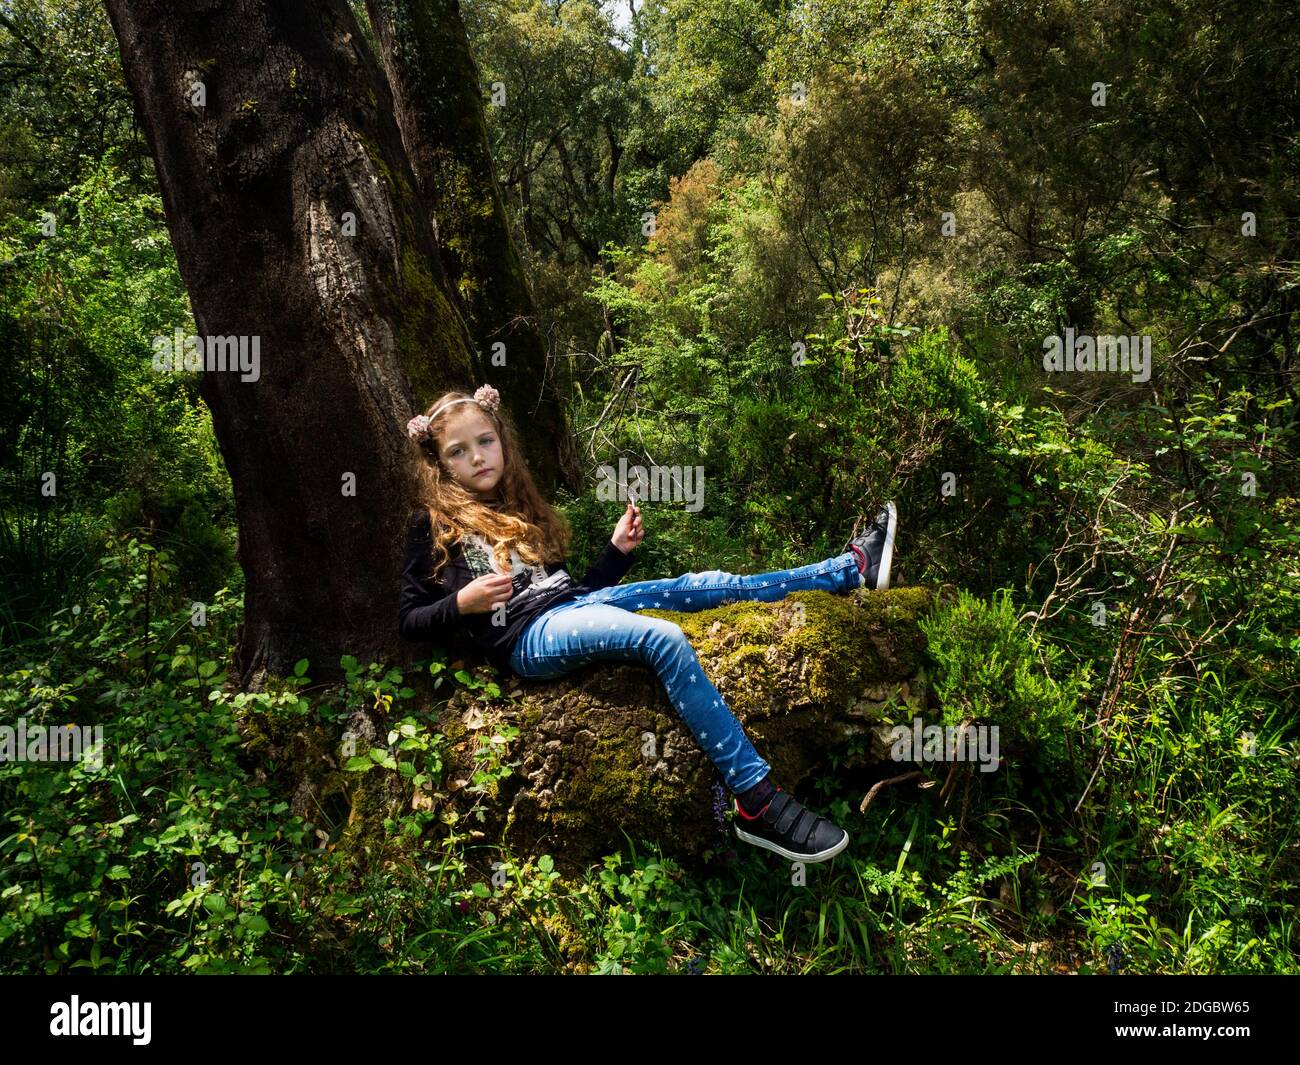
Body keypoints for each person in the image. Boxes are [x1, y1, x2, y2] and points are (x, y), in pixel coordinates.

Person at [398, 384, 899, 863]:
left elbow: (575, 595)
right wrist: (461, 603)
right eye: (459, 451)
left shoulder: (516, 507)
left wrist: (616, 554)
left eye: (485, 441)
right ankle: (756, 800)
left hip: (568, 610)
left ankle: (850, 570)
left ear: (503, 443)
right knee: (662, 637)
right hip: (528, 639)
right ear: (439, 465)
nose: (478, 457)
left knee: (709, 583)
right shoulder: (434, 524)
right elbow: (410, 619)